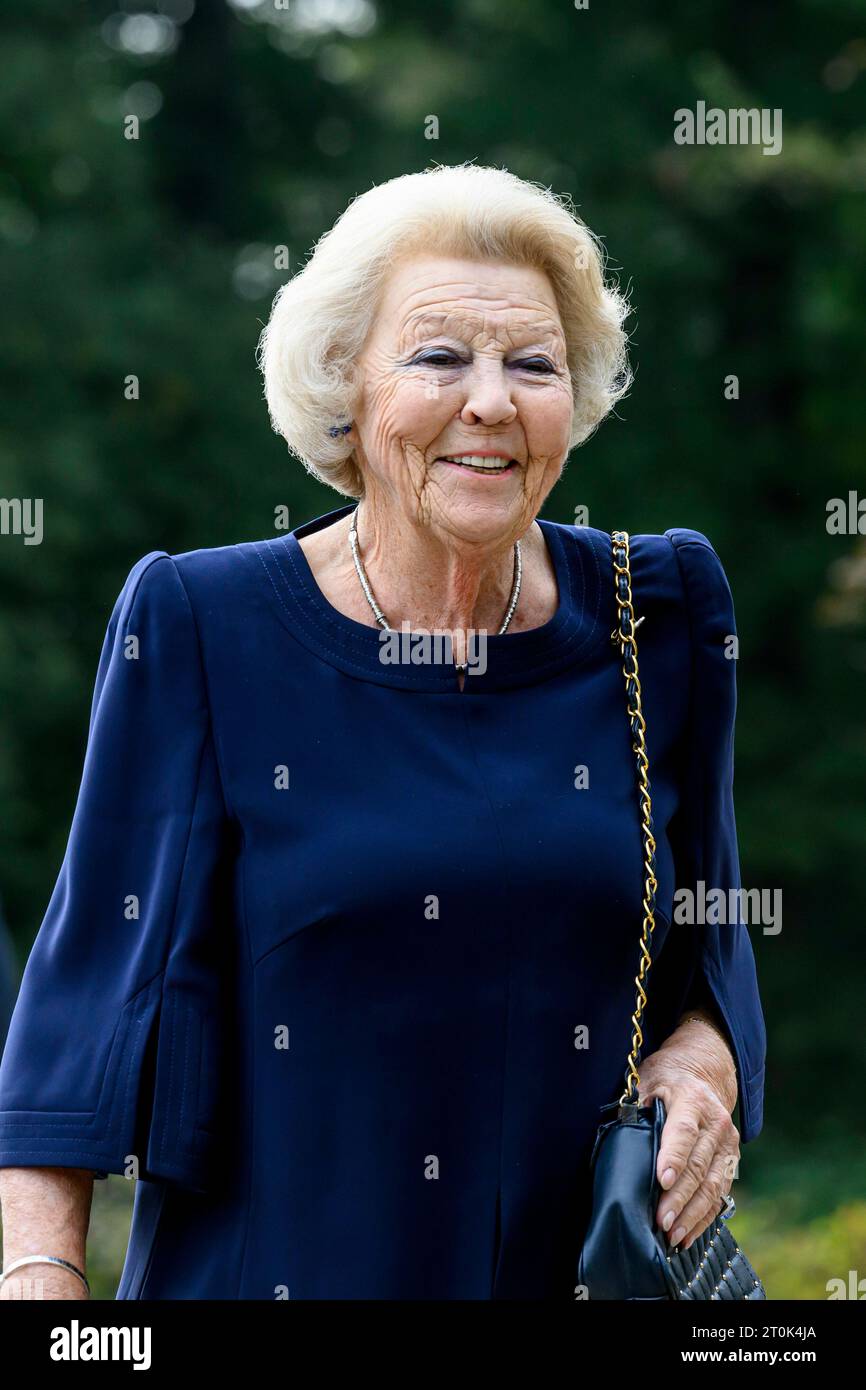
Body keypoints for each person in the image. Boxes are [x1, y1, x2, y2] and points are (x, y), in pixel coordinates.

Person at [0, 163, 766, 1301]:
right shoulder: (201, 624)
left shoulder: (656, 612)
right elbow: (83, 1013)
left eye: (532, 363)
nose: (492, 402)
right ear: (343, 391)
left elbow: (708, 939)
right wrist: (41, 1283)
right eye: (438, 356)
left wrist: (705, 1056)